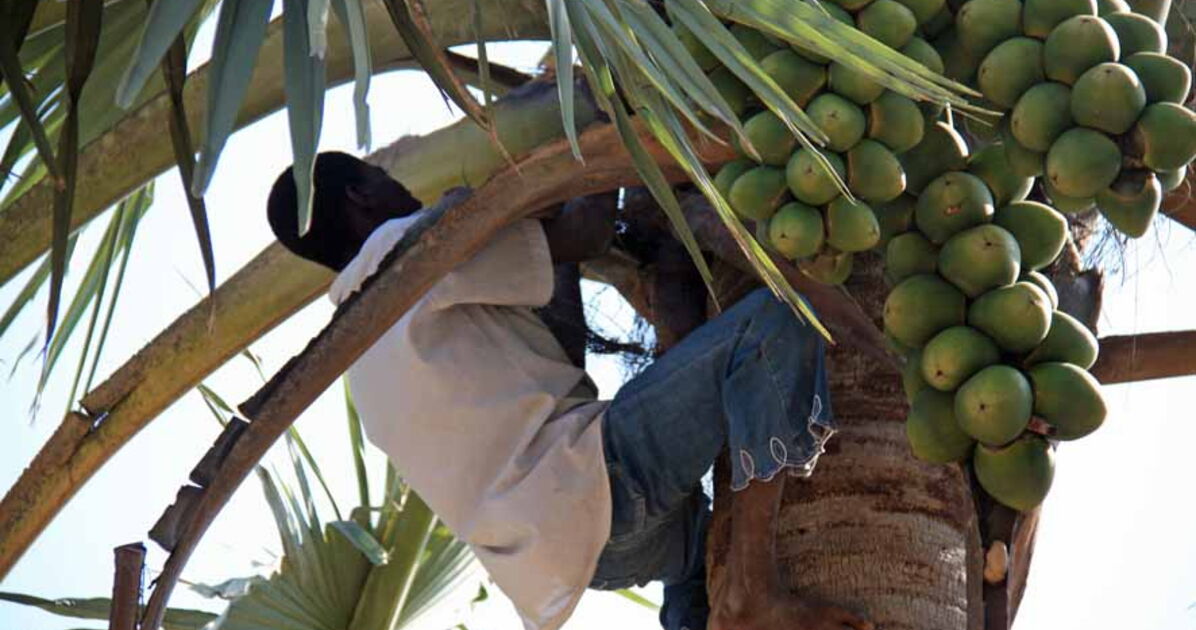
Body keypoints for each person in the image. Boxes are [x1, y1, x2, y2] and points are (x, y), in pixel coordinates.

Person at [267, 152, 871, 630]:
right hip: (604, 480)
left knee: (698, 565)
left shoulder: (358, 349)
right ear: (360, 195)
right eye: (384, 176)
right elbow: (584, 232)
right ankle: (753, 592)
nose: (404, 189)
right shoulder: (408, 249)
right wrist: (598, 142)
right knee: (774, 323)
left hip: (583, 557)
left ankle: (717, 604)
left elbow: (556, 354)